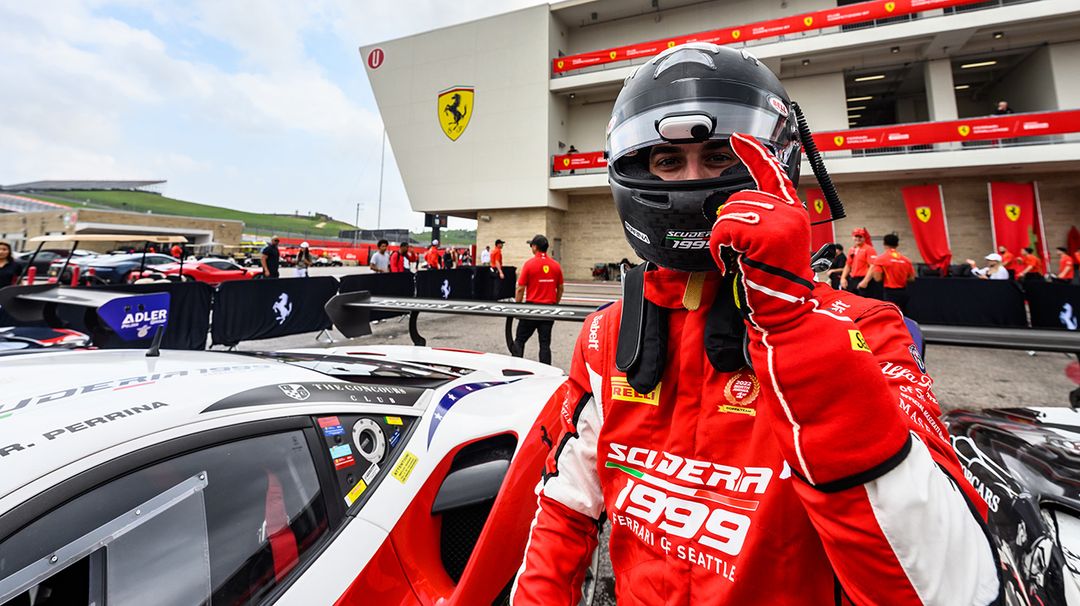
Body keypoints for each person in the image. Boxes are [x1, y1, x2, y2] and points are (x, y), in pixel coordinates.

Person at [511, 42, 999, 606]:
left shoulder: (865, 327)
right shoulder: (609, 332)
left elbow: (951, 586)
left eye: (720, 157)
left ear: (774, 162)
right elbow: (564, 511)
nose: (693, 180)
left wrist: (798, 334)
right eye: (668, 161)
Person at [513, 234, 563, 365]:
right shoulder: (556, 265)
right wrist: (555, 303)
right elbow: (561, 288)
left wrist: (517, 307)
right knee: (545, 344)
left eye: (531, 245)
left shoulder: (529, 264)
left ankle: (515, 368)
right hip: (548, 310)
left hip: (531, 309)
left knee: (519, 340)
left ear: (535, 247)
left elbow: (520, 289)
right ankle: (547, 373)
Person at [867, 233, 916, 314]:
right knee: (903, 316)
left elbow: (877, 278)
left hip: (890, 293)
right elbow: (912, 278)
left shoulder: (880, 259)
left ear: (884, 243)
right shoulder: (906, 260)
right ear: (897, 244)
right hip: (904, 293)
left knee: (891, 316)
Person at [840, 227, 879, 299]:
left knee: (865, 304)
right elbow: (848, 265)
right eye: (856, 236)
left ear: (864, 237)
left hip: (864, 280)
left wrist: (865, 281)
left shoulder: (869, 249)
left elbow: (872, 266)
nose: (858, 238)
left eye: (860, 236)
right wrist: (843, 278)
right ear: (853, 237)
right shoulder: (852, 249)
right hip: (853, 280)